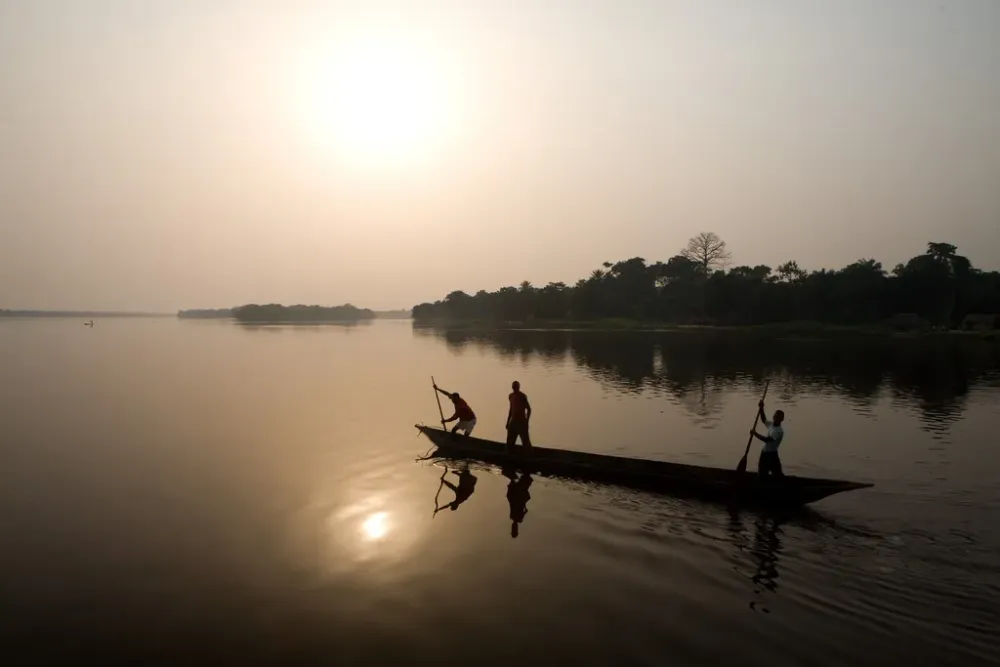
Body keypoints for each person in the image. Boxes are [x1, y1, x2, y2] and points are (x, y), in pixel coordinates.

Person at [749, 400, 785, 479]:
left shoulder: (778, 431)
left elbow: (767, 440)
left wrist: (755, 434)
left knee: (777, 474)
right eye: (775, 416)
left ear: (781, 420)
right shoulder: (771, 425)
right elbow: (763, 419)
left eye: (778, 417)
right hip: (765, 453)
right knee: (762, 474)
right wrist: (761, 408)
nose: (775, 418)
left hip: (771, 455)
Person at [506, 381, 532, 451]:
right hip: (513, 421)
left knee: (526, 443)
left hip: (521, 422)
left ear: (518, 387)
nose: (515, 389)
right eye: (514, 387)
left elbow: (529, 409)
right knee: (509, 442)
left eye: (516, 387)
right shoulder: (511, 396)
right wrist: (508, 422)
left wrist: (527, 421)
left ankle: (529, 454)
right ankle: (509, 453)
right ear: (512, 388)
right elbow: (511, 410)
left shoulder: (522, 396)